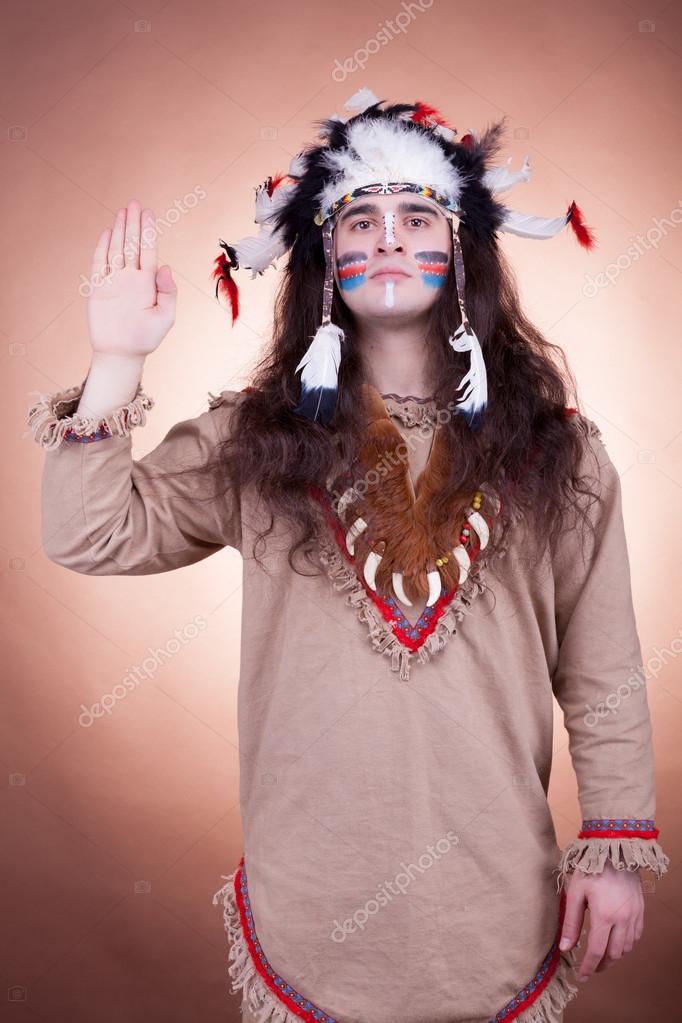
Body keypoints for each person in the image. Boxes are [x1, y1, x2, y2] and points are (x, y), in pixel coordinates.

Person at [26, 89, 669, 1023]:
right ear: (323, 256)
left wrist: (613, 851)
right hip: (312, 908)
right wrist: (116, 360)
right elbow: (89, 532)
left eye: (419, 216)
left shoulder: (558, 449)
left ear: (464, 249)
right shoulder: (253, 440)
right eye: (360, 219)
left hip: (494, 906)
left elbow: (603, 667)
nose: (391, 238)